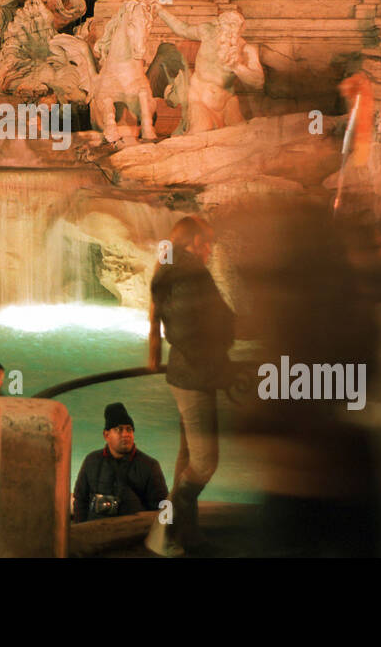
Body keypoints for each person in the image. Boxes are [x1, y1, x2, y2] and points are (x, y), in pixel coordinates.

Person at [145, 216, 237, 556]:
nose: (210, 250)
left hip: (194, 374)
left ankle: (188, 531)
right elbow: (189, 329)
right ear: (191, 243)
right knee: (205, 462)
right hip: (195, 376)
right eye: (206, 243)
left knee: (189, 459)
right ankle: (162, 528)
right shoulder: (188, 274)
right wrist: (221, 339)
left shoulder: (177, 272)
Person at [72, 403, 168, 523]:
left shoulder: (149, 466)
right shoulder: (92, 461)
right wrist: (80, 530)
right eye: (119, 429)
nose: (125, 434)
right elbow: (80, 499)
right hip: (95, 533)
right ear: (106, 435)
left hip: (133, 536)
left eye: (129, 429)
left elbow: (164, 508)